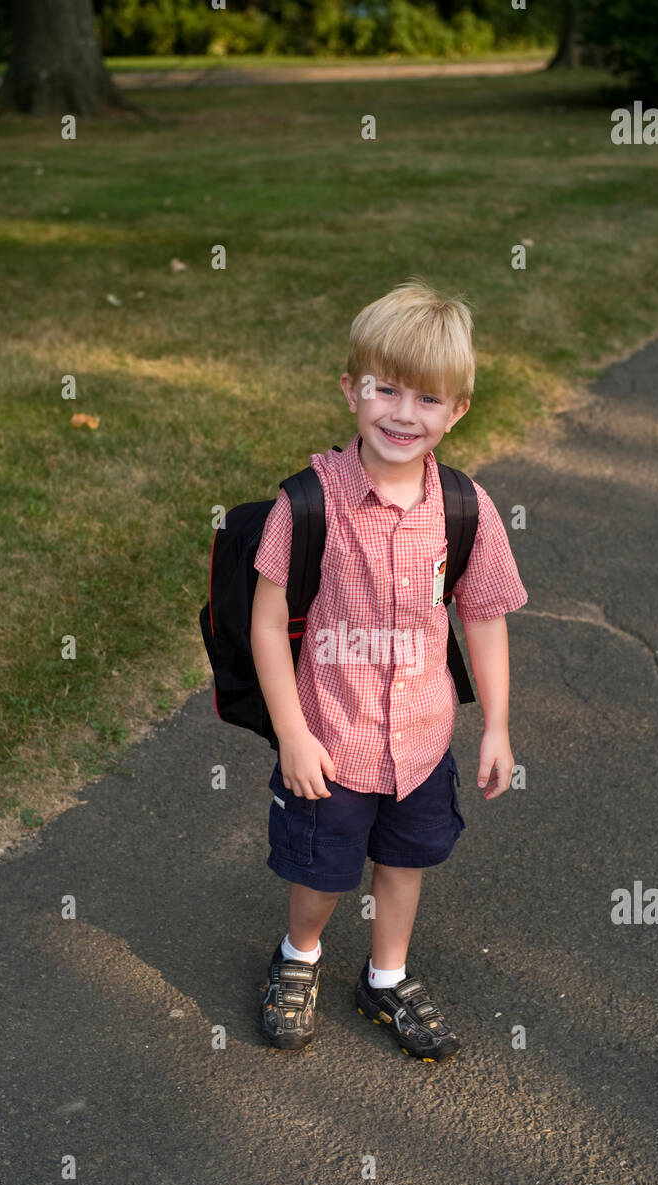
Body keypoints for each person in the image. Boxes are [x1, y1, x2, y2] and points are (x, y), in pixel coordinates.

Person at [250, 279, 528, 1060]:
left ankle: (386, 974)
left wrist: (497, 726)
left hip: (422, 743)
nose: (405, 414)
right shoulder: (309, 504)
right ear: (351, 389)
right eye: (387, 389)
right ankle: (299, 957)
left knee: (405, 863)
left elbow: (483, 614)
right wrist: (293, 735)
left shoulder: (466, 509)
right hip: (330, 740)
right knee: (323, 868)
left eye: (430, 399)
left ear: (458, 410)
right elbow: (269, 626)